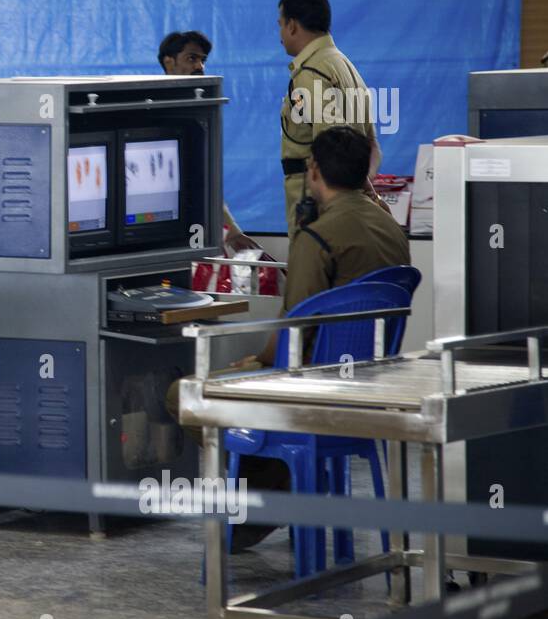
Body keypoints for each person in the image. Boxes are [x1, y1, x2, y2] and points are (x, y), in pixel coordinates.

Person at [166, 126, 411, 549]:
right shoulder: (391, 228)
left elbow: (293, 324)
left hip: (312, 389)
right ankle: (277, 488)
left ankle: (269, 494)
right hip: (370, 387)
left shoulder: (317, 236)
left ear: (313, 170)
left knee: (182, 393)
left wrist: (259, 361)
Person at [276, 0, 387, 236]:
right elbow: (373, 147)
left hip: (317, 205)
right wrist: (364, 191)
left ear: (292, 25)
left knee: (313, 271)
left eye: (281, 25)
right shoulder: (345, 65)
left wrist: (346, 192)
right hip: (349, 203)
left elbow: (332, 146)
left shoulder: (310, 73)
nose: (280, 34)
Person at [157, 30, 257, 251]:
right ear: (169, 62)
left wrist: (232, 229)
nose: (200, 67)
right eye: (191, 58)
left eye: (203, 60)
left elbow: (204, 180)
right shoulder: (153, 113)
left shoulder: (200, 114)